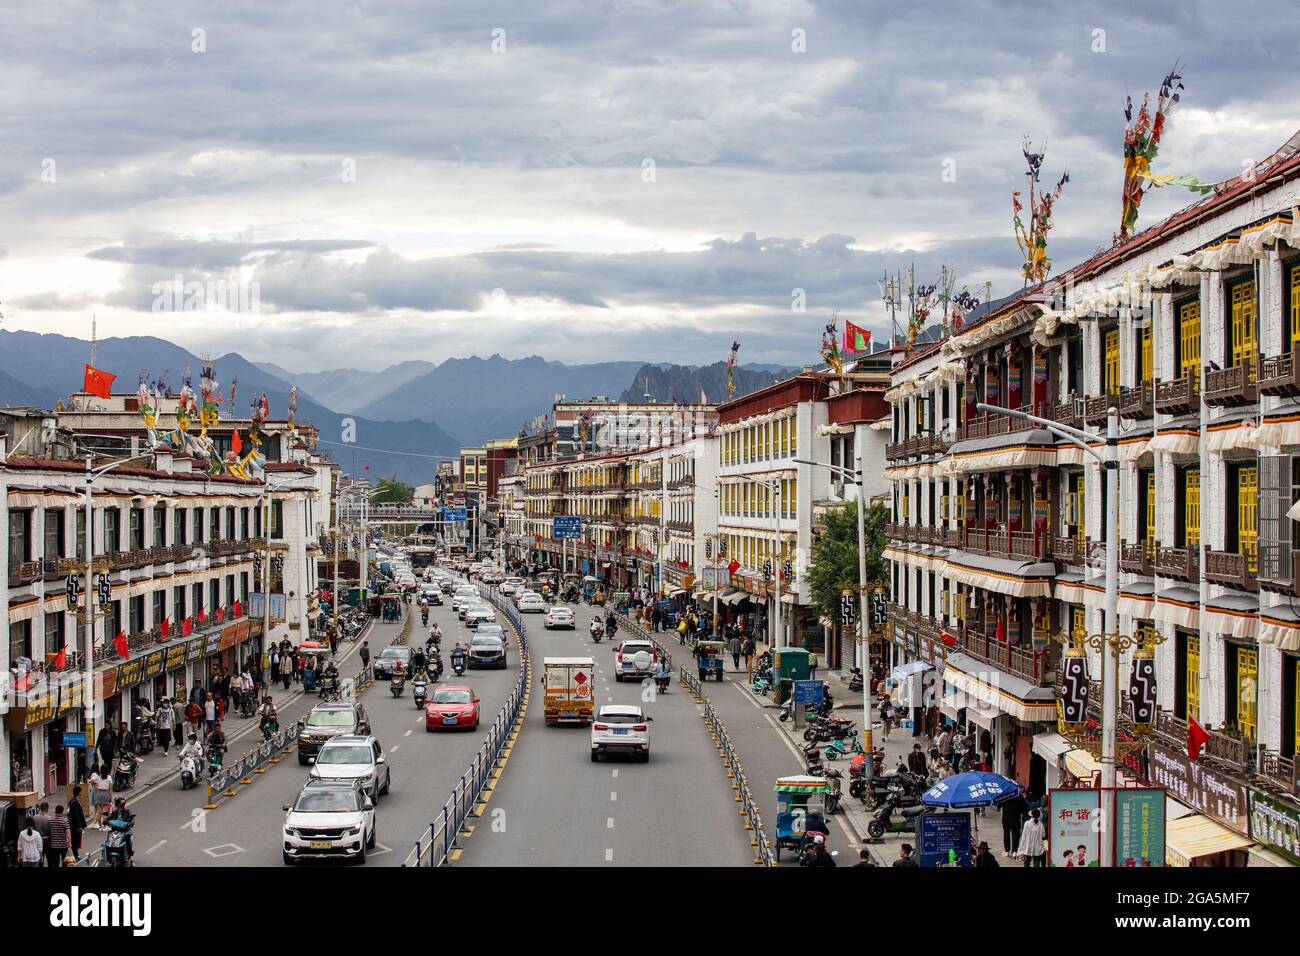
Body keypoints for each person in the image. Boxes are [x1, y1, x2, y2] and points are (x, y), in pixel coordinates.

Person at [1000, 789, 1028, 857]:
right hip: (1016, 818)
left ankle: (1007, 851)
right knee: (1016, 834)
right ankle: (1014, 851)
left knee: (1006, 833)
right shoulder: (1018, 795)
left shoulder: (1005, 794)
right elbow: (1025, 807)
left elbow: (998, 805)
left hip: (1006, 818)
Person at [67, 786, 88, 860]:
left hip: (75, 825)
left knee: (76, 840)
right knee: (75, 840)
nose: (82, 794)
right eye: (81, 792)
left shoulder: (74, 801)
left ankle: (75, 854)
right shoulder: (74, 802)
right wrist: (79, 826)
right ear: (78, 793)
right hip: (75, 826)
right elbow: (76, 815)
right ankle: (75, 855)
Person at [89, 763, 111, 828]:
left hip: (99, 793)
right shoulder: (109, 777)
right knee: (105, 810)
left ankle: (99, 825)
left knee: (99, 810)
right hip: (106, 793)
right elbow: (110, 788)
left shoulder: (98, 776)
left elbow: (92, 782)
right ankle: (104, 825)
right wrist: (110, 796)